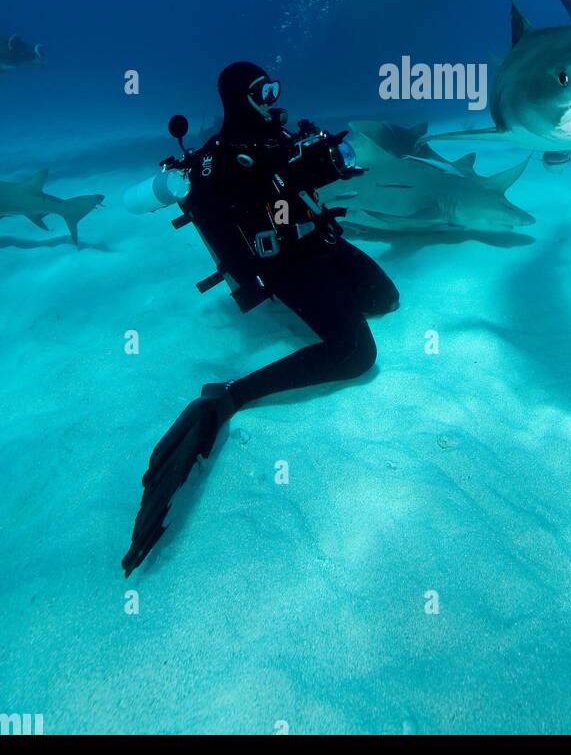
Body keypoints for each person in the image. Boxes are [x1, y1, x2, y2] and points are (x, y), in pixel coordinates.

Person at [122, 61, 399, 576]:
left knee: (385, 299)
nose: (273, 98)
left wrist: (319, 165)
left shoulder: (278, 139)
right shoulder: (216, 162)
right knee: (357, 353)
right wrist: (291, 175)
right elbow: (253, 204)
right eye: (262, 91)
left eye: (275, 88)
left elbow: (297, 192)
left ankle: (323, 302)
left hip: (318, 242)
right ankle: (227, 396)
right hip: (285, 265)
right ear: (237, 97)